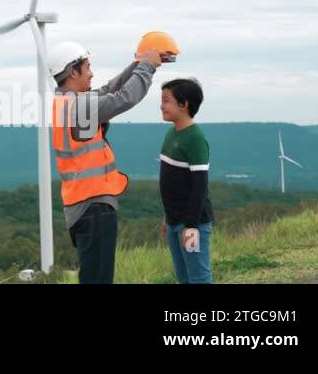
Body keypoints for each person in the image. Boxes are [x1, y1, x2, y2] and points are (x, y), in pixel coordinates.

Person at [49, 33, 178, 284]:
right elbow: (123, 98)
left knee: (95, 276)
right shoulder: (80, 107)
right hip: (92, 206)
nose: (91, 73)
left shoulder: (66, 103)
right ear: (72, 72)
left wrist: (139, 63)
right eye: (87, 67)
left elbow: (109, 90)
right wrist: (147, 67)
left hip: (83, 206)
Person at [159, 78, 214, 284]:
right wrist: (167, 216)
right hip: (174, 222)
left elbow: (199, 187)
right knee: (183, 277)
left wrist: (190, 226)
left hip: (192, 224)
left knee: (198, 277)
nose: (161, 105)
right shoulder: (171, 133)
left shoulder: (195, 138)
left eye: (166, 101)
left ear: (184, 105)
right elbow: (172, 183)